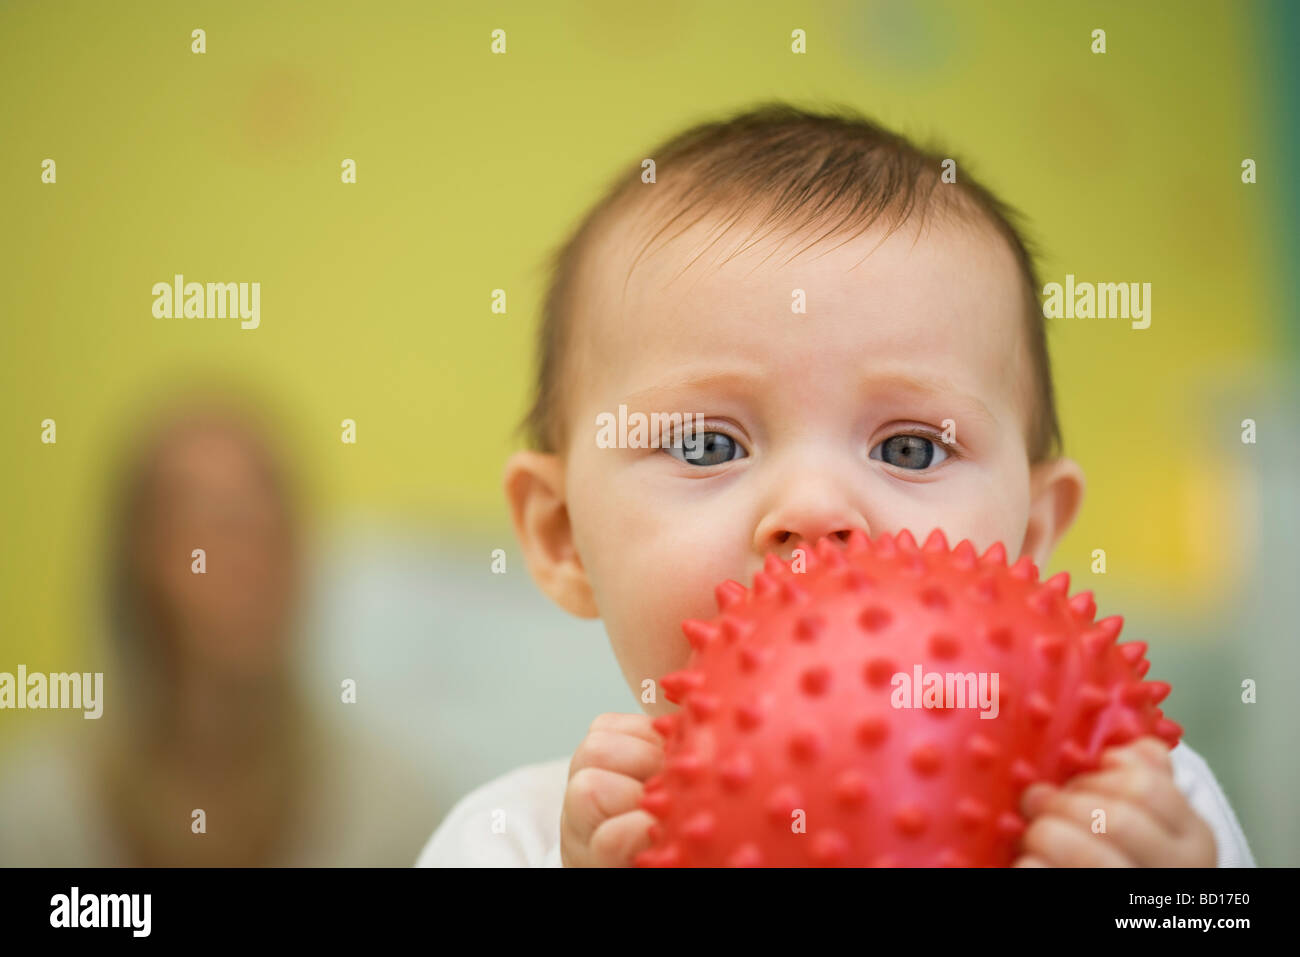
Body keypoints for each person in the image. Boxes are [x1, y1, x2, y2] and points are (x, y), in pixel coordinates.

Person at [415, 103, 1254, 868]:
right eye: (708, 444)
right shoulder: (511, 839)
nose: (815, 509)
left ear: (1031, 535)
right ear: (562, 536)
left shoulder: (1135, 797)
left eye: (913, 449)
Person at [0, 394, 442, 866]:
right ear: (136, 561)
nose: (247, 558)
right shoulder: (37, 820)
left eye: (268, 522)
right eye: (211, 522)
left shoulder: (393, 821)